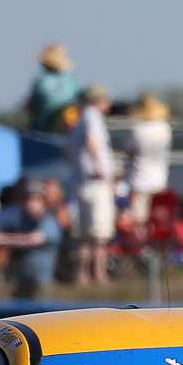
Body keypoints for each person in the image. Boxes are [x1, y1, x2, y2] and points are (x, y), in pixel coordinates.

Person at [0, 179, 63, 299]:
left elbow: (34, 239)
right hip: (22, 283)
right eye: (28, 199)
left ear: (43, 202)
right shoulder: (24, 220)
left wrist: (1, 239)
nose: (30, 203)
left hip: (41, 284)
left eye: (35, 200)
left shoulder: (49, 222)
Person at [71, 84, 116, 285]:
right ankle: (99, 274)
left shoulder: (79, 119)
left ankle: (82, 275)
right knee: (99, 235)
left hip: (82, 182)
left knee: (84, 235)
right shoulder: (93, 117)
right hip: (96, 182)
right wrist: (101, 169)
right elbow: (92, 143)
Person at [126, 93, 172, 229]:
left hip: (139, 180)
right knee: (158, 221)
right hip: (160, 180)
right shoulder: (165, 129)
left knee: (139, 221)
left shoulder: (138, 130)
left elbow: (129, 151)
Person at [24, 44, 80, 134]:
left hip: (44, 127)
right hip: (69, 125)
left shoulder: (41, 81)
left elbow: (30, 107)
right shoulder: (72, 80)